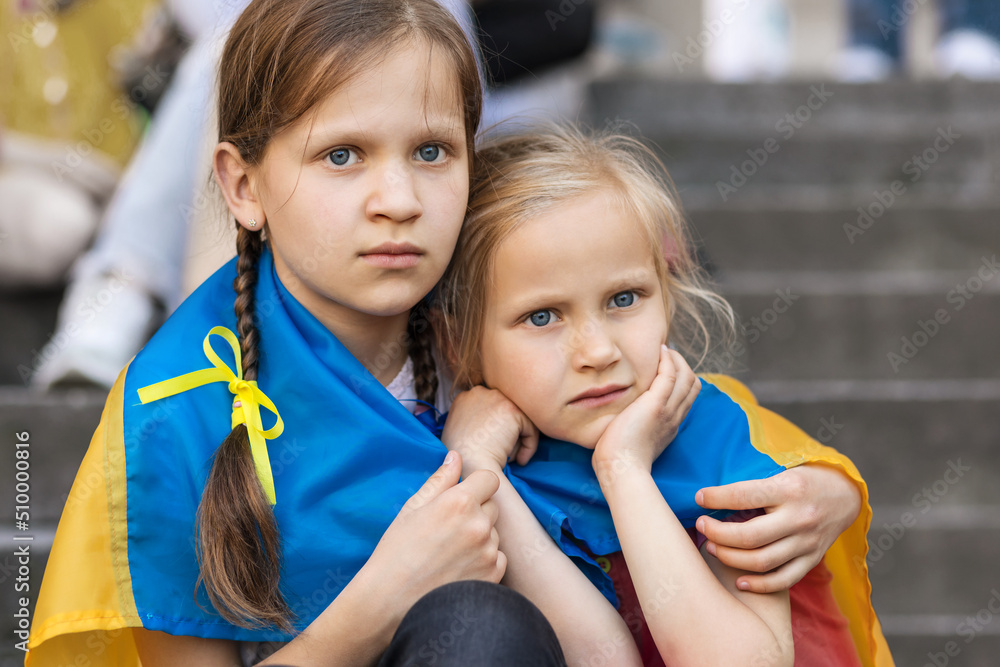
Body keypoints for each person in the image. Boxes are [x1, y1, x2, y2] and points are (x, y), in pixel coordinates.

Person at [28, 1, 884, 664]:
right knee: (474, 622)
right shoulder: (178, 404)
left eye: (432, 152)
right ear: (242, 185)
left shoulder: (506, 319)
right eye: (342, 155)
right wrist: (382, 597)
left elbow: (688, 412)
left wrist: (821, 491)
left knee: (481, 627)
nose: (398, 200)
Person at [435, 125, 894, 665]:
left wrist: (624, 469)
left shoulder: (719, 446)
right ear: (458, 345)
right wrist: (478, 468)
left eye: (624, 298)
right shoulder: (487, 464)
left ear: (668, 299)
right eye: (542, 317)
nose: (598, 351)